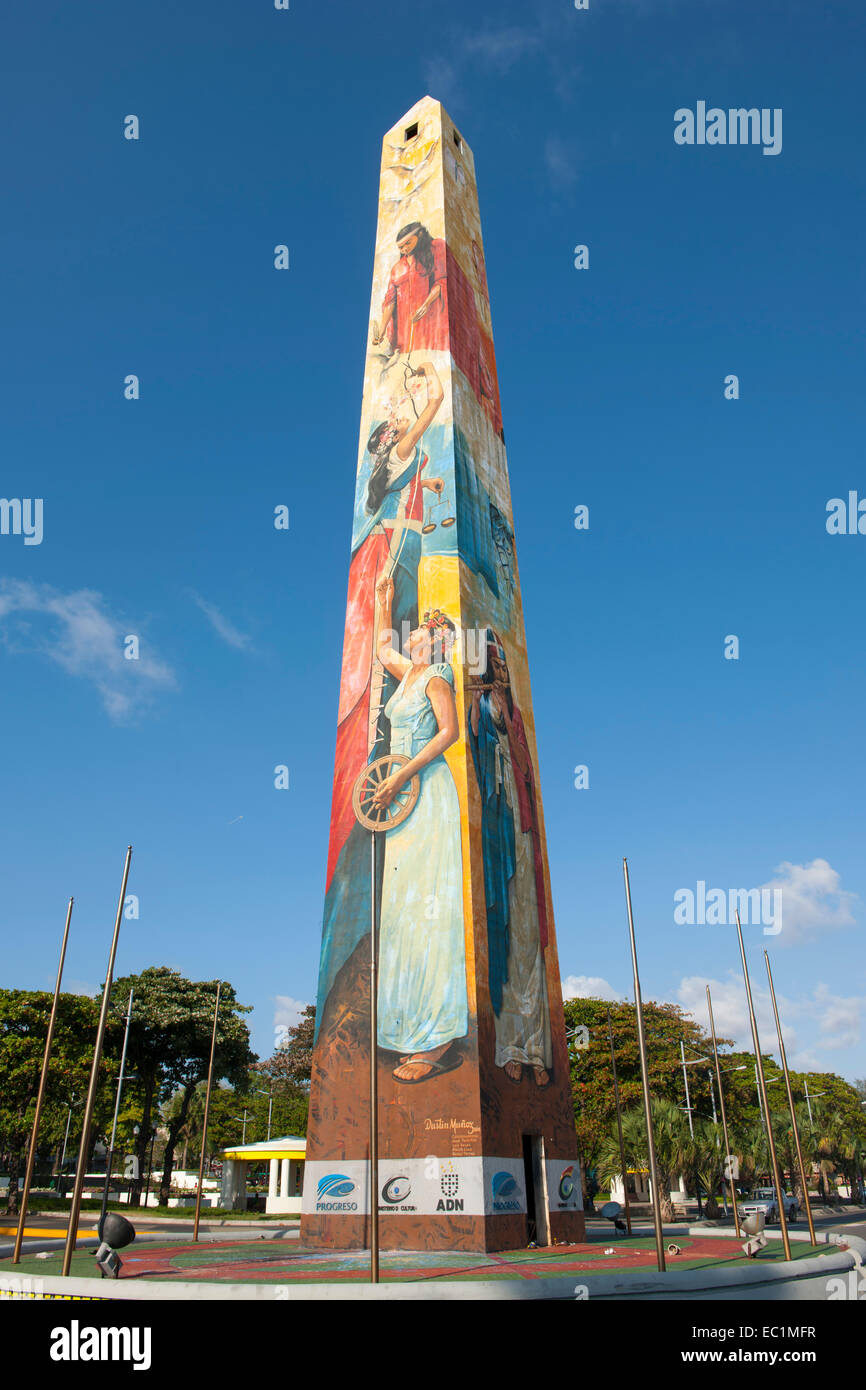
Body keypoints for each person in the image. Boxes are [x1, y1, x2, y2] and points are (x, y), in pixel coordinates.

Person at [370, 578, 468, 1082]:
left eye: (418, 632)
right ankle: (407, 1027)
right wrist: (384, 600)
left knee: (431, 908)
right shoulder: (407, 673)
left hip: (425, 791)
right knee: (403, 910)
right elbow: (380, 647)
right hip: (399, 797)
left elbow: (450, 733)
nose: (409, 636)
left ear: (434, 642)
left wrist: (401, 776)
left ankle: (439, 1034)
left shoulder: (436, 678)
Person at [469, 631, 552, 1085]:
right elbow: (474, 742)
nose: (500, 671)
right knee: (501, 939)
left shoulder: (515, 713)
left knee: (527, 942)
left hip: (520, 826)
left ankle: (536, 1049)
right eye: (495, 664)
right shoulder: (479, 705)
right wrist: (479, 702)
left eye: (504, 665)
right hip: (497, 825)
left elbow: (525, 766)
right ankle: (510, 1048)